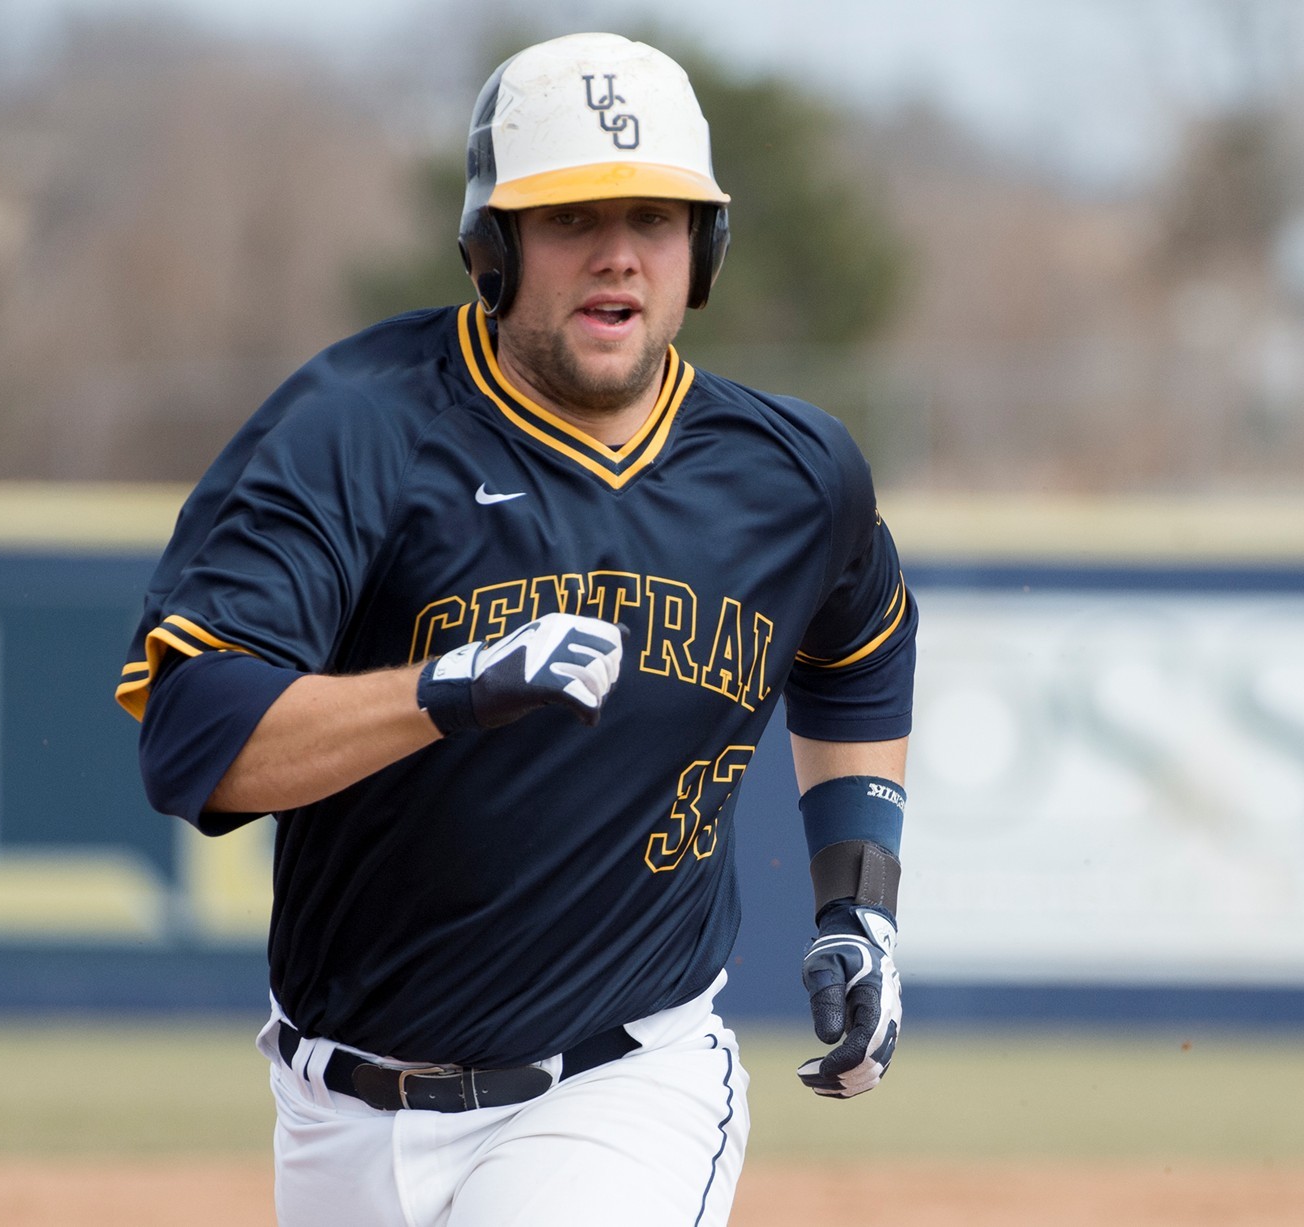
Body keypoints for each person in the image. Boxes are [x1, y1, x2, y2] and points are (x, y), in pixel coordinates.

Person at [116, 31, 915, 1227]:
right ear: (492, 247)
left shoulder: (791, 477)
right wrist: (447, 687)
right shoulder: (357, 431)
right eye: (570, 217)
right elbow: (194, 737)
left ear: (704, 250)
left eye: (654, 217)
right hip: (337, 1110)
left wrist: (858, 906)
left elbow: (859, 648)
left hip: (615, 1089)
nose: (617, 254)